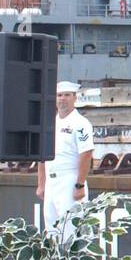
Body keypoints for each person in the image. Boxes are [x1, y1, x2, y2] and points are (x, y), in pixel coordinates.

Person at [35, 81, 94, 242]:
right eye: (59, 95)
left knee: (70, 233)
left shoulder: (81, 124)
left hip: (70, 180)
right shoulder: (50, 123)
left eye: (67, 95)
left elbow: (86, 154)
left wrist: (80, 185)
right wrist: (41, 183)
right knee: (51, 232)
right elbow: (42, 155)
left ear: (74, 98)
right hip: (51, 183)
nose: (62, 99)